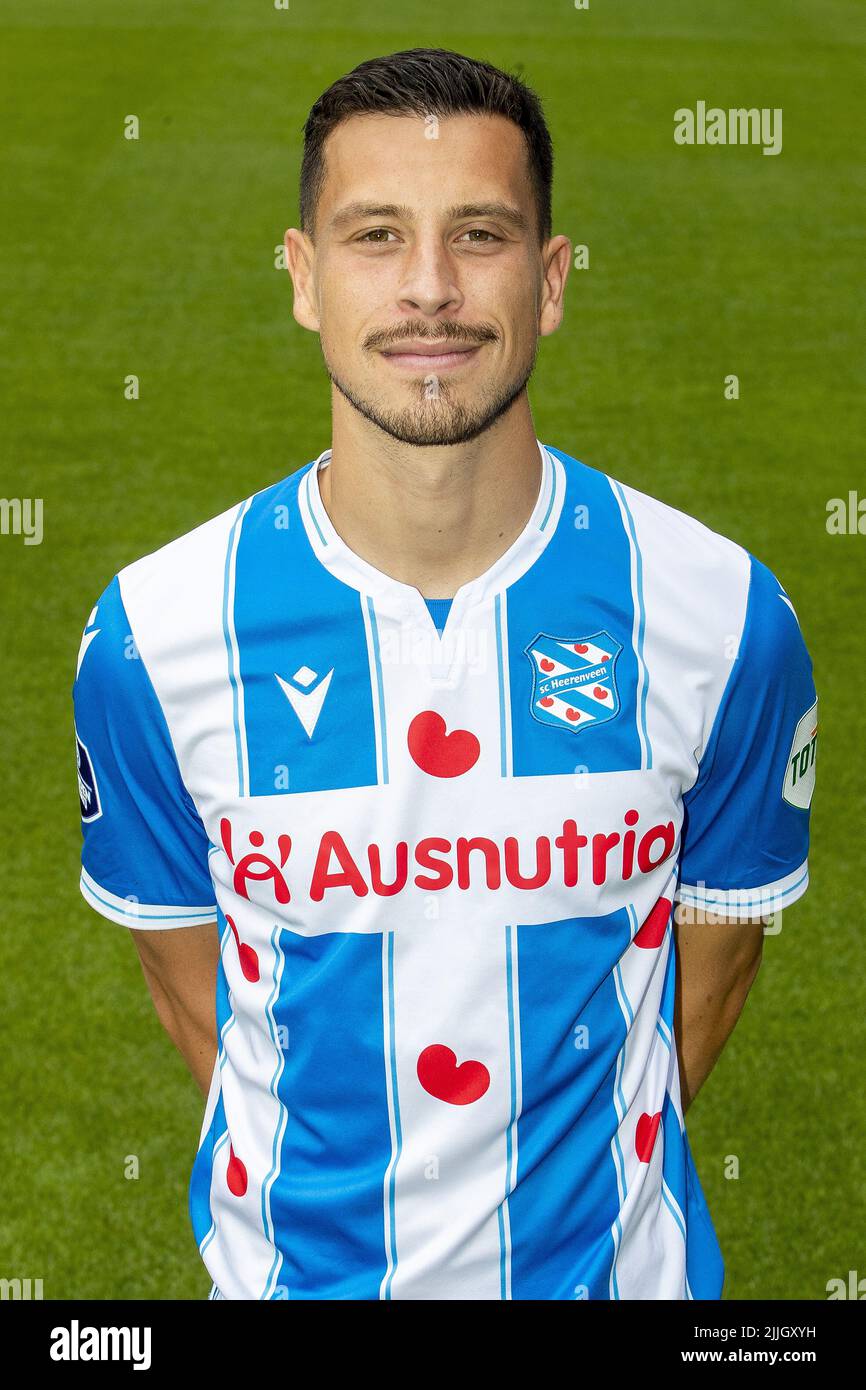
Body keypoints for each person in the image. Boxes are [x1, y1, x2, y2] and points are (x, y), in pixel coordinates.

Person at [72, 48, 817, 1300]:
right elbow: (188, 978)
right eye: (375, 236)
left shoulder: (724, 616)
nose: (429, 291)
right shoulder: (153, 636)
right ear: (304, 279)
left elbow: (719, 951)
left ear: (551, 278)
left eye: (478, 234)